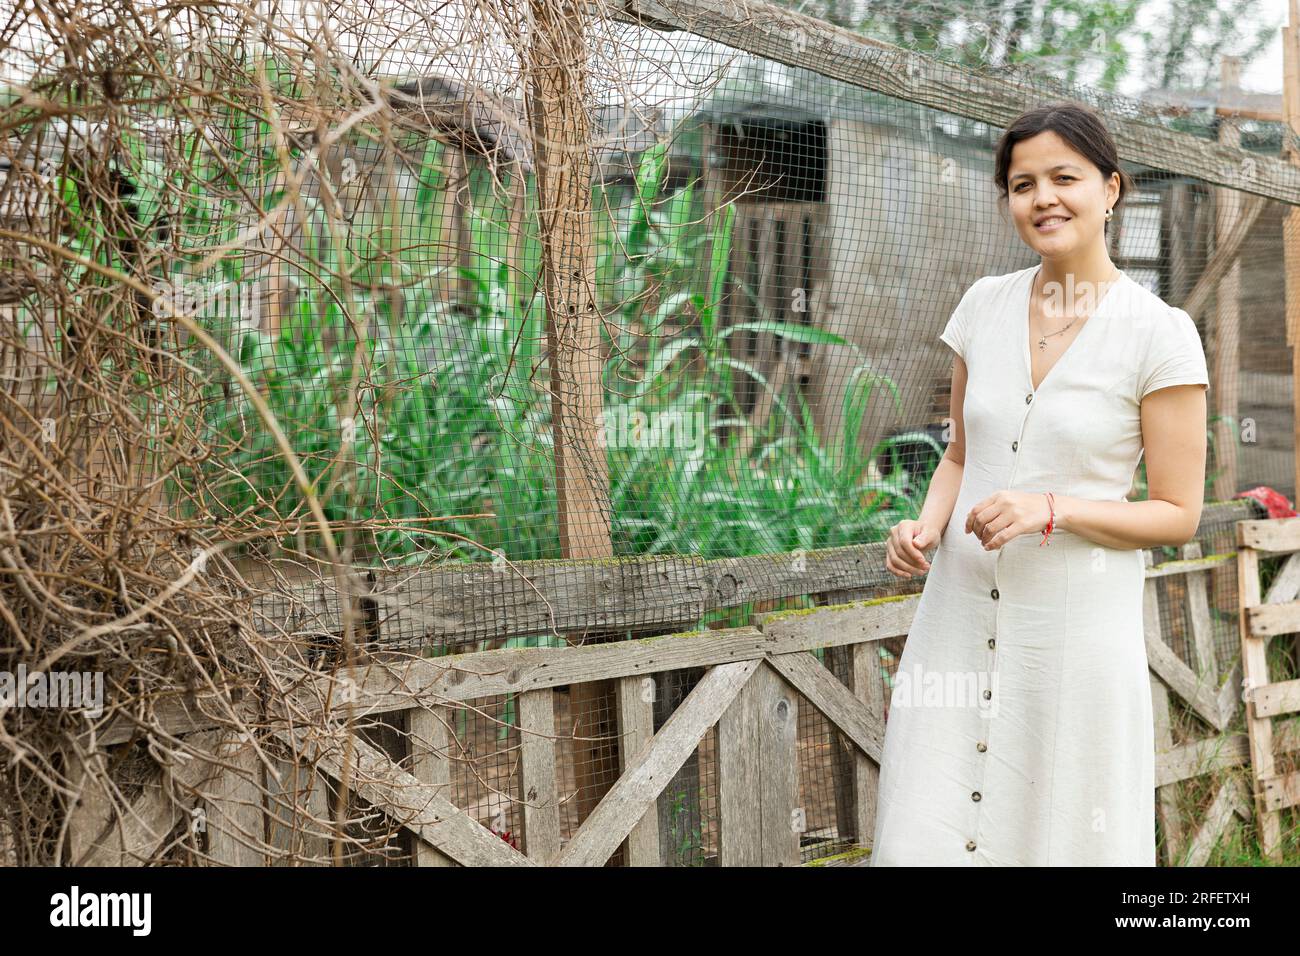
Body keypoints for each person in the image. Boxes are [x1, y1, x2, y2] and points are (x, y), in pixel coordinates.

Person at [871, 100, 1210, 866]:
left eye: (1065, 177)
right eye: (1023, 184)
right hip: (956, 619)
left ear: (1112, 189)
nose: (1043, 198)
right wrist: (923, 526)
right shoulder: (981, 306)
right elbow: (959, 453)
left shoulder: (1160, 334)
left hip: (1072, 629)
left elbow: (1177, 512)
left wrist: (1050, 508)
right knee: (927, 821)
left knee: (1057, 829)